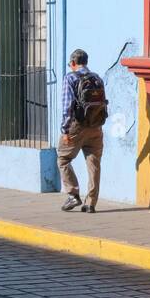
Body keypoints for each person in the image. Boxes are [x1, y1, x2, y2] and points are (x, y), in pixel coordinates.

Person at [58, 49, 108, 212]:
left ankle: (73, 194)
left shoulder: (70, 77)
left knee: (63, 159)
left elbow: (67, 107)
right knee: (94, 162)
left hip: (76, 126)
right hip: (96, 126)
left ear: (73, 63)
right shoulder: (97, 78)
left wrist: (65, 131)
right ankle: (91, 203)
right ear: (86, 62)